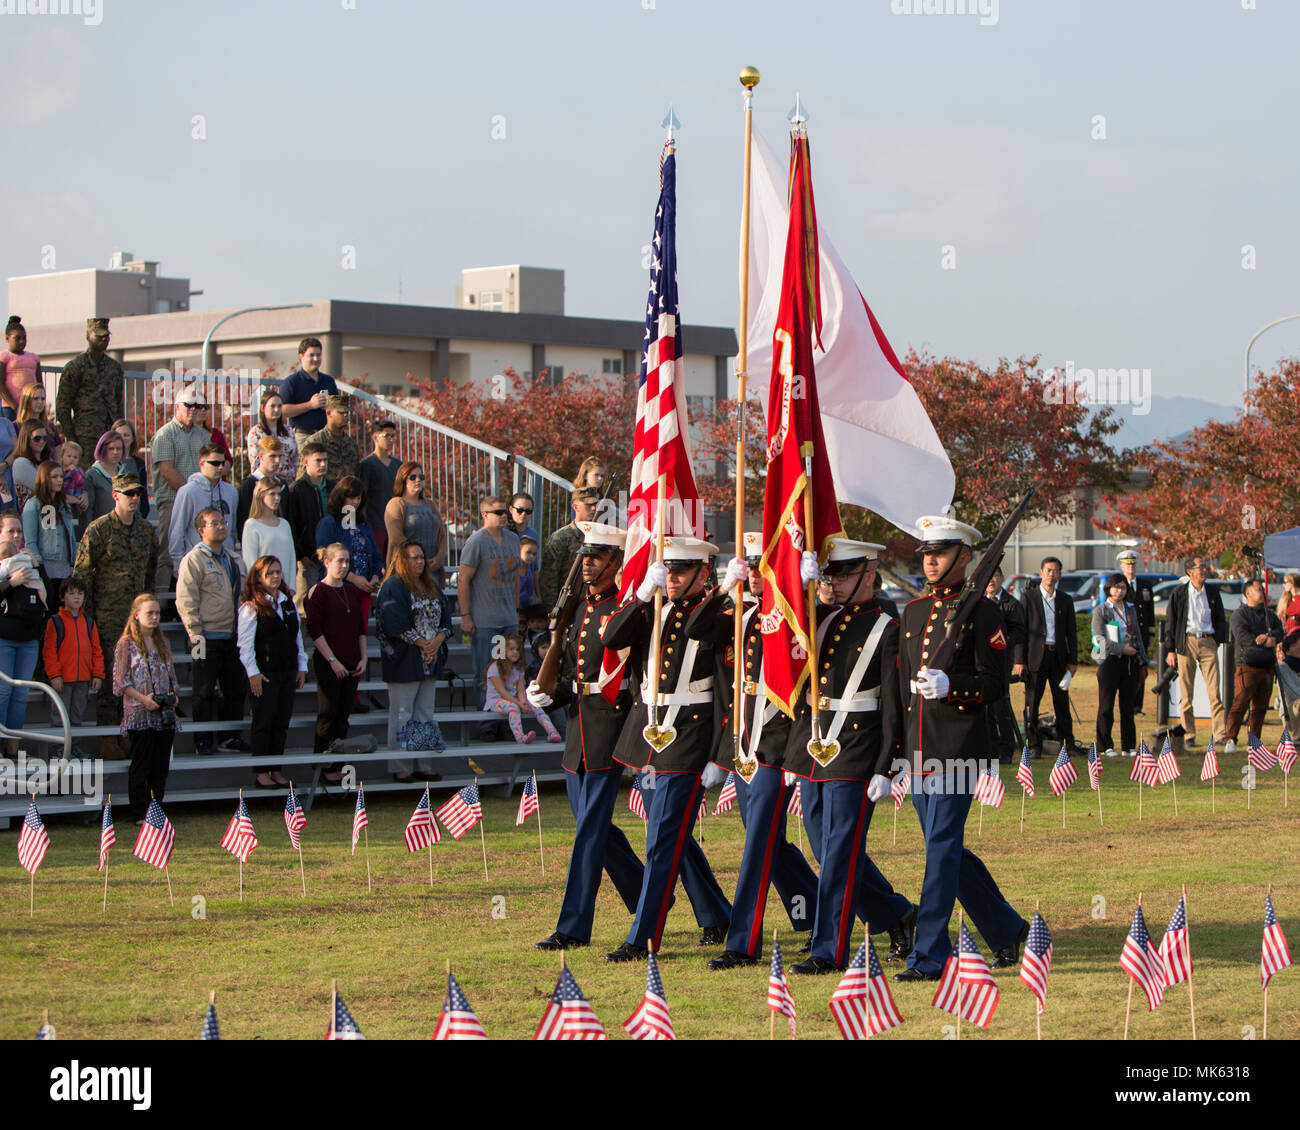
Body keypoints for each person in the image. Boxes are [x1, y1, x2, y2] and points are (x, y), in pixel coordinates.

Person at [895, 512, 1028, 983]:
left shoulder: (984, 613)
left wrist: (953, 684)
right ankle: (1009, 932)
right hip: (918, 750)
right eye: (927, 554)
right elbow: (898, 693)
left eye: (941, 553)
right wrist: (892, 756)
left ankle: (931, 954)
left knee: (941, 850)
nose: (931, 562)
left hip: (960, 750)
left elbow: (994, 683)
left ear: (965, 557)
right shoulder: (911, 613)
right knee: (944, 850)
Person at [778, 539, 916, 975]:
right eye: (829, 574)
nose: (832, 582)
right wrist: (798, 588)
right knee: (827, 847)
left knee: (838, 852)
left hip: (857, 749)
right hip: (816, 747)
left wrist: (887, 765)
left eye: (841, 575)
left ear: (869, 574)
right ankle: (896, 914)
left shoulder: (886, 627)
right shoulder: (820, 620)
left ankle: (828, 949)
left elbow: (894, 704)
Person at [686, 532, 822, 971]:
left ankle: (742, 942)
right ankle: (878, 912)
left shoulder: (798, 615)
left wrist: (805, 592)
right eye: (752, 565)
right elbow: (695, 629)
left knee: (757, 847)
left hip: (777, 749)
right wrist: (725, 588)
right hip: (744, 747)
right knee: (770, 845)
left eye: (767, 565)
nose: (760, 574)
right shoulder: (739, 615)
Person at [599, 535, 733, 962]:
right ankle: (716, 914)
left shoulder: (719, 613)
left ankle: (643, 936)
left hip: (691, 737)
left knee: (660, 840)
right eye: (668, 569)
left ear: (702, 572)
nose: (671, 578)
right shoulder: (653, 607)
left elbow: (727, 691)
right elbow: (612, 639)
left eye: (680, 571)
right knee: (672, 836)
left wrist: (720, 754)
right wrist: (640, 596)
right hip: (650, 733)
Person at [528, 522, 650, 951]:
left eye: (596, 557)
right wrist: (547, 693)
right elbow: (573, 675)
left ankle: (573, 927)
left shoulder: (625, 607)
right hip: (579, 725)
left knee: (589, 833)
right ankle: (648, 895)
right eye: (584, 556)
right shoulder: (580, 606)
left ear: (616, 562)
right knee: (591, 826)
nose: (586, 564)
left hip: (610, 725)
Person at [71, 473, 158, 750]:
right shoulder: (98, 530)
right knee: (112, 676)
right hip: (107, 617)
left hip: (138, 620)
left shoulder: (146, 531)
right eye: (128, 493)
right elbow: (82, 575)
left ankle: (130, 732)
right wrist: (85, 617)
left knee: (137, 674)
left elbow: (151, 572)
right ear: (115, 495)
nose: (134, 498)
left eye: (137, 493)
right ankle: (109, 736)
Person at [176, 508, 248, 757]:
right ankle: (202, 740)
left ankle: (230, 737)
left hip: (233, 636)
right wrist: (195, 634)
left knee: (235, 689)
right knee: (203, 690)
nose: (220, 526)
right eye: (213, 523)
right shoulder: (193, 560)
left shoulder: (233, 558)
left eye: (222, 522)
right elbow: (186, 600)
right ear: (201, 530)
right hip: (204, 635)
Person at [377, 540, 450, 783]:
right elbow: (393, 622)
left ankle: (423, 763)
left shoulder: (431, 586)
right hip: (403, 660)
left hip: (431, 659)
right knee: (402, 714)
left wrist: (436, 642)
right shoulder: (393, 587)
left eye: (421, 557)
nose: (419, 561)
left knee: (425, 713)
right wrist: (422, 643)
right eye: (413, 557)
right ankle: (402, 766)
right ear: (402, 560)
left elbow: (446, 621)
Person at [238, 555, 307, 789]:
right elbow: (245, 645)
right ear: (258, 577)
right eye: (270, 573)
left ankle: (276, 768)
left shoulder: (287, 602)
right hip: (264, 674)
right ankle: (261, 771)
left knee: (281, 722)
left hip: (287, 673)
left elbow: (297, 637)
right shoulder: (251, 607)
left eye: (278, 572)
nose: (275, 576)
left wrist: (301, 666)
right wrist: (253, 673)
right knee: (263, 722)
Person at [114, 593, 181, 823]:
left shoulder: (163, 641)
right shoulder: (126, 644)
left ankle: (156, 810)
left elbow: (172, 675)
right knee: (141, 766)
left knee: (161, 766)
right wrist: (144, 699)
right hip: (139, 713)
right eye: (149, 613)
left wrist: (173, 697)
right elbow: (120, 682)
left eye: (157, 613)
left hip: (163, 713)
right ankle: (140, 812)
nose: (154, 617)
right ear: (137, 615)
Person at [304, 543, 367, 784]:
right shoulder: (317, 592)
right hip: (329, 664)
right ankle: (323, 766)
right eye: (339, 561)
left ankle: (340, 764)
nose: (344, 565)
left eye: (347, 561)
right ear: (327, 562)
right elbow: (315, 631)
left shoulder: (351, 591)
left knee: (343, 716)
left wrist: (362, 657)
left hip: (352, 663)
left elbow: (360, 628)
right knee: (327, 714)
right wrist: (332, 660)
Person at [458, 495, 522, 706]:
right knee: (487, 672)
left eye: (506, 512)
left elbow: (515, 578)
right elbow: (463, 579)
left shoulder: (513, 539)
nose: (504, 516)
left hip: (508, 617)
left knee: (510, 673)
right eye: (498, 512)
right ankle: (487, 722)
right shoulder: (476, 541)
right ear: (485, 514)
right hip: (485, 621)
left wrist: (516, 609)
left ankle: (507, 719)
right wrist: (465, 615)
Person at [1162, 554, 1229, 750]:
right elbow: (1171, 623)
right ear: (1190, 571)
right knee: (1186, 692)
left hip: (1207, 642)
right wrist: (1171, 649)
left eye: (1205, 566)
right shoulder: (1179, 593)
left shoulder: (1213, 592)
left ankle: (1220, 734)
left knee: (1214, 692)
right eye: (1201, 566)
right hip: (1186, 642)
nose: (1205, 569)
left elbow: (1220, 618)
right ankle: (1189, 734)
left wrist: (1217, 641)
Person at [150, 385, 212, 592]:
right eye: (188, 405)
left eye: (197, 405)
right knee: (168, 553)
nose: (193, 409)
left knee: (198, 551)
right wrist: (191, 493)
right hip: (171, 500)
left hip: (200, 502)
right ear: (177, 406)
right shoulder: (165, 435)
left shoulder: (203, 436)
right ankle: (161, 605)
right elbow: (167, 471)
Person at [1018, 556, 1080, 758]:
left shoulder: (1065, 599)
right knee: (1032, 702)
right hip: (1036, 657)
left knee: (1062, 703)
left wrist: (1073, 660)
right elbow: (1022, 631)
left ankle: (1068, 744)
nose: (1052, 574)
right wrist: (1020, 660)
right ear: (1040, 572)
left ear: (1060, 574)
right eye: (1048, 570)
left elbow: (1072, 632)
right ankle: (1034, 745)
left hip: (1058, 657)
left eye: (1056, 571)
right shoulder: (1029, 597)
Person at [55, 317, 123, 469]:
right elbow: (63, 406)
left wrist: (119, 432)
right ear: (88, 336)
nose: (104, 339)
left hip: (110, 434)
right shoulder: (75, 367)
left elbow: (119, 403)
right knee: (87, 478)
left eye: (106, 336)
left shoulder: (114, 368)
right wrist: (72, 438)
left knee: (112, 478)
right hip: (85, 435)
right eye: (99, 336)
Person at [0, 538, 47, 755]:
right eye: (10, 531)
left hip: (29, 640)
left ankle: (12, 747)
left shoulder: (26, 561)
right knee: (3, 692)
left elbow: (50, 598)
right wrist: (12, 582)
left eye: (19, 531)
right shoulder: (5, 567)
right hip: (4, 639)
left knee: (20, 696)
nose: (15, 536)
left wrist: (36, 566)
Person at [1092, 573, 1147, 757]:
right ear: (1109, 588)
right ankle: (1105, 745)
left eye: (1123, 587)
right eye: (1116, 587)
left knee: (1128, 706)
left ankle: (1129, 746)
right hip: (1109, 661)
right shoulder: (1102, 610)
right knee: (1106, 705)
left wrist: (1143, 661)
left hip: (1130, 661)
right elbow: (1099, 639)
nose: (1119, 591)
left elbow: (1138, 635)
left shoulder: (1130, 609)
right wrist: (1122, 648)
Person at [1226, 578, 1284, 751]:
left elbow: (1279, 631)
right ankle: (1231, 739)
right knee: (1241, 702)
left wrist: (1270, 638)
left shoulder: (1270, 615)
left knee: (1260, 706)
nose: (1262, 592)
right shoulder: (1240, 614)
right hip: (1247, 664)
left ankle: (1254, 741)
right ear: (1248, 593)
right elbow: (1242, 637)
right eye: (1259, 589)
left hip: (1267, 666)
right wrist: (1263, 641)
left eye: (1263, 589)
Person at [42, 577, 104, 737]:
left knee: (77, 717)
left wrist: (97, 674)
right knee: (59, 718)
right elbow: (49, 652)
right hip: (62, 680)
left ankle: (74, 748)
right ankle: (58, 751)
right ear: (62, 597)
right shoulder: (55, 621)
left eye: (80, 594)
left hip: (83, 679)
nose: (77, 597)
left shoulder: (89, 622)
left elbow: (97, 650)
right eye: (71, 593)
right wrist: (55, 675)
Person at [168, 443, 238, 572]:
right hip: (196, 562)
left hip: (225, 561)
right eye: (215, 463)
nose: (220, 467)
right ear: (202, 464)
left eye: (223, 463)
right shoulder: (188, 491)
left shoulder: (231, 492)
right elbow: (177, 529)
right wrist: (178, 563)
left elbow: (232, 530)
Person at [282, 441, 332, 613]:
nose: (323, 464)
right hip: (308, 557)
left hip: (331, 555)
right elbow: (291, 524)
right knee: (305, 604)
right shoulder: (296, 490)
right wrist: (301, 555)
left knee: (328, 603)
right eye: (318, 460)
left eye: (325, 460)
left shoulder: (334, 487)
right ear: (305, 462)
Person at [22, 461, 78, 613]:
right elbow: (31, 541)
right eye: (54, 477)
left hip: (65, 569)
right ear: (44, 479)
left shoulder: (63, 504)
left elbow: (71, 537)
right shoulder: (33, 504)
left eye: (61, 476)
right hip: (47, 569)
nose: (60, 480)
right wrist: (39, 568)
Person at [487, 632, 561, 744]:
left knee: (535, 704)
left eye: (517, 649)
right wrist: (519, 703)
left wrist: (523, 702)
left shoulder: (518, 668)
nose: (515, 652)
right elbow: (502, 692)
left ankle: (552, 732)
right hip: (496, 701)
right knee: (513, 707)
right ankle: (520, 737)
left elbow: (521, 688)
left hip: (515, 698)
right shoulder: (495, 668)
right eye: (511, 649)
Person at [985, 566, 1026, 763]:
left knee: (1002, 707)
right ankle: (990, 748)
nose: (991, 581)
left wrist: (1003, 641)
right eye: (988, 577)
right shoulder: (978, 603)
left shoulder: (1011, 604)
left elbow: (1019, 632)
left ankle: (1006, 750)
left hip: (1001, 662)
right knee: (985, 708)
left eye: (995, 576)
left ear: (1001, 578)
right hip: (981, 662)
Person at [538, 486, 599, 609]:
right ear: (575, 507)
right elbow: (549, 579)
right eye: (588, 505)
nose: (593, 508)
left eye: (595, 504)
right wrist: (552, 610)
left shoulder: (598, 536)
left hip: (592, 605)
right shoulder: (561, 538)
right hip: (567, 605)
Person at [383, 461, 446, 573]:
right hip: (406, 569)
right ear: (403, 480)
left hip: (432, 570)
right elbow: (396, 538)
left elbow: (442, 535)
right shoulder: (396, 504)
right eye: (412, 477)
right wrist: (418, 558)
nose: (418, 480)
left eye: (421, 477)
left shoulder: (431, 504)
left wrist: (439, 558)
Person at [241, 479, 296, 592]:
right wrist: (256, 590)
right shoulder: (252, 525)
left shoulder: (284, 524)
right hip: (262, 589)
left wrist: (291, 587)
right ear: (260, 495)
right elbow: (250, 562)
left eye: (279, 494)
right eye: (272, 494)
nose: (277, 498)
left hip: (284, 589)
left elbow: (291, 558)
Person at [279, 337, 339, 439]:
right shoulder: (291, 382)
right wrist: (310, 405)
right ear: (301, 356)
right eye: (311, 355)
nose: (315, 359)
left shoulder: (329, 381)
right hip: (303, 436)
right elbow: (282, 410)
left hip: (327, 436)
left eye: (318, 355)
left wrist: (329, 406)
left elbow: (338, 408)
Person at [358, 419, 399, 559]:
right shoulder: (367, 465)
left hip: (395, 526)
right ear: (375, 437)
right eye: (387, 436)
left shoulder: (398, 465)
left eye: (393, 436)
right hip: (375, 525)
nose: (391, 439)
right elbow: (362, 497)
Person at [303, 394, 359, 486]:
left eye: (347, 413)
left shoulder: (351, 444)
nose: (345, 416)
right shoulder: (314, 441)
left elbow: (356, 475)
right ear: (328, 413)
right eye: (341, 413)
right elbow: (303, 476)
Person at [236, 435, 283, 541]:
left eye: (280, 456)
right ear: (261, 456)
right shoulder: (248, 485)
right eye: (272, 456)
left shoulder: (282, 484)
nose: (277, 461)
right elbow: (243, 520)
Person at [246, 389, 299, 482]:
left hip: (289, 480)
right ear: (262, 408)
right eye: (272, 406)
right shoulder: (256, 432)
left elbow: (296, 458)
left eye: (279, 406)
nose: (277, 410)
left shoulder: (288, 430)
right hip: (267, 481)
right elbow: (255, 462)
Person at [0, 316, 40, 421]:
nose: (22, 341)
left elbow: (39, 384)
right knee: (14, 434)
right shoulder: (4, 356)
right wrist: (14, 406)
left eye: (24, 338)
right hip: (11, 407)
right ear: (7, 338)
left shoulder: (33, 357)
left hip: (30, 406)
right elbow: (1, 384)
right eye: (17, 338)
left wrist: (40, 402)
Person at [84, 430, 128, 525]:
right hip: (101, 532)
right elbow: (88, 511)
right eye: (111, 449)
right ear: (102, 449)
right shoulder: (91, 475)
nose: (115, 452)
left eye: (119, 449)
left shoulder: (126, 474)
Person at [11, 418, 52, 512]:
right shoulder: (21, 463)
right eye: (37, 438)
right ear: (26, 438)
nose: (42, 441)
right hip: (31, 514)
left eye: (45, 438)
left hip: (49, 513)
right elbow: (45, 489)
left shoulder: (47, 461)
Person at [111, 419, 149, 516]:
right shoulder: (108, 462)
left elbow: (143, 493)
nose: (123, 438)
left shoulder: (139, 464)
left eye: (126, 435)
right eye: (119, 435)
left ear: (132, 438)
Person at [17, 383, 63, 456]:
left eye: (43, 399)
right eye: (35, 399)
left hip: (49, 465)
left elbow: (57, 455)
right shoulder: (16, 426)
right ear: (26, 400)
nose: (40, 402)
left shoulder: (51, 427)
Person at [60, 441, 89, 527]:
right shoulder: (60, 471)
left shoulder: (78, 471)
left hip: (75, 503)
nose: (71, 459)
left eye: (75, 457)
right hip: (63, 501)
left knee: (74, 523)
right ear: (62, 457)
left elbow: (80, 481)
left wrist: (74, 471)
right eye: (69, 456)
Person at [518, 534, 539, 609]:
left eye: (534, 554)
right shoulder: (511, 569)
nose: (531, 556)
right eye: (528, 552)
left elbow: (529, 591)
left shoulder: (528, 569)